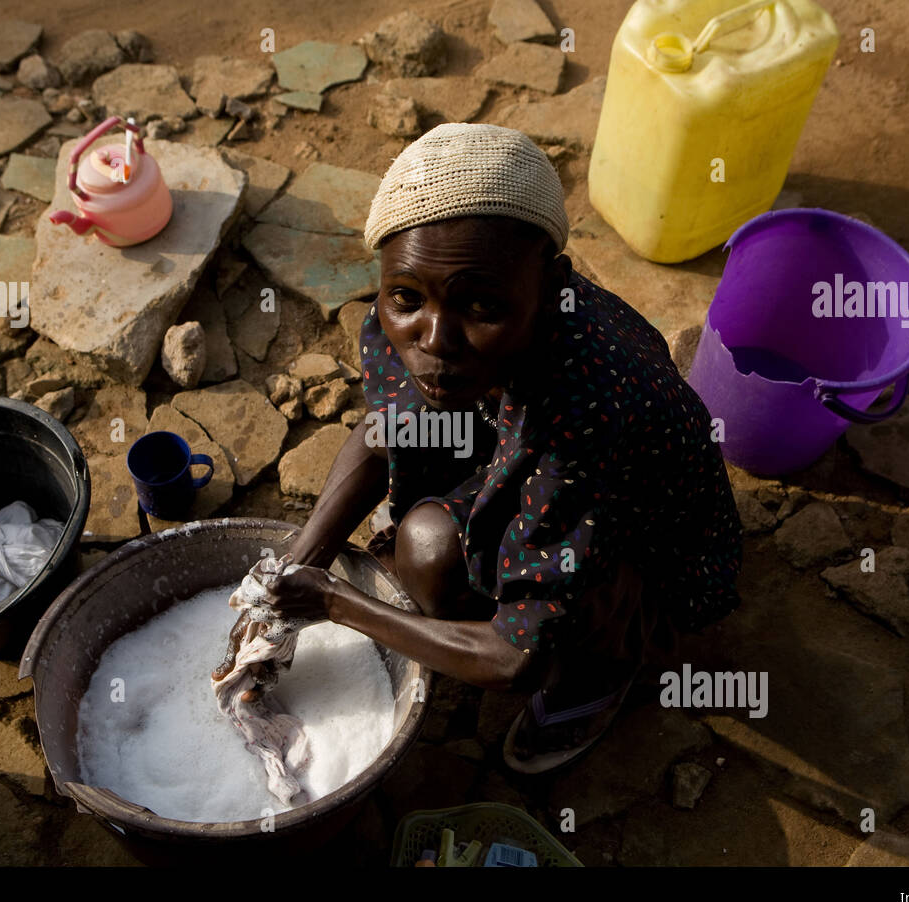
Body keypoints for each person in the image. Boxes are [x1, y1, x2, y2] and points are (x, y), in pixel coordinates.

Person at [213, 123, 742, 774]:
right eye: (406, 297)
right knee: (426, 546)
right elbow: (387, 431)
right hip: (512, 444)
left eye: (482, 306)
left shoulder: (579, 412)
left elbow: (513, 656)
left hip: (639, 542)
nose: (435, 339)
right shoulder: (410, 313)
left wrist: (333, 603)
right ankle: (470, 587)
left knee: (496, 596)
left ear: (548, 290)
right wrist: (292, 569)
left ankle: (600, 672)